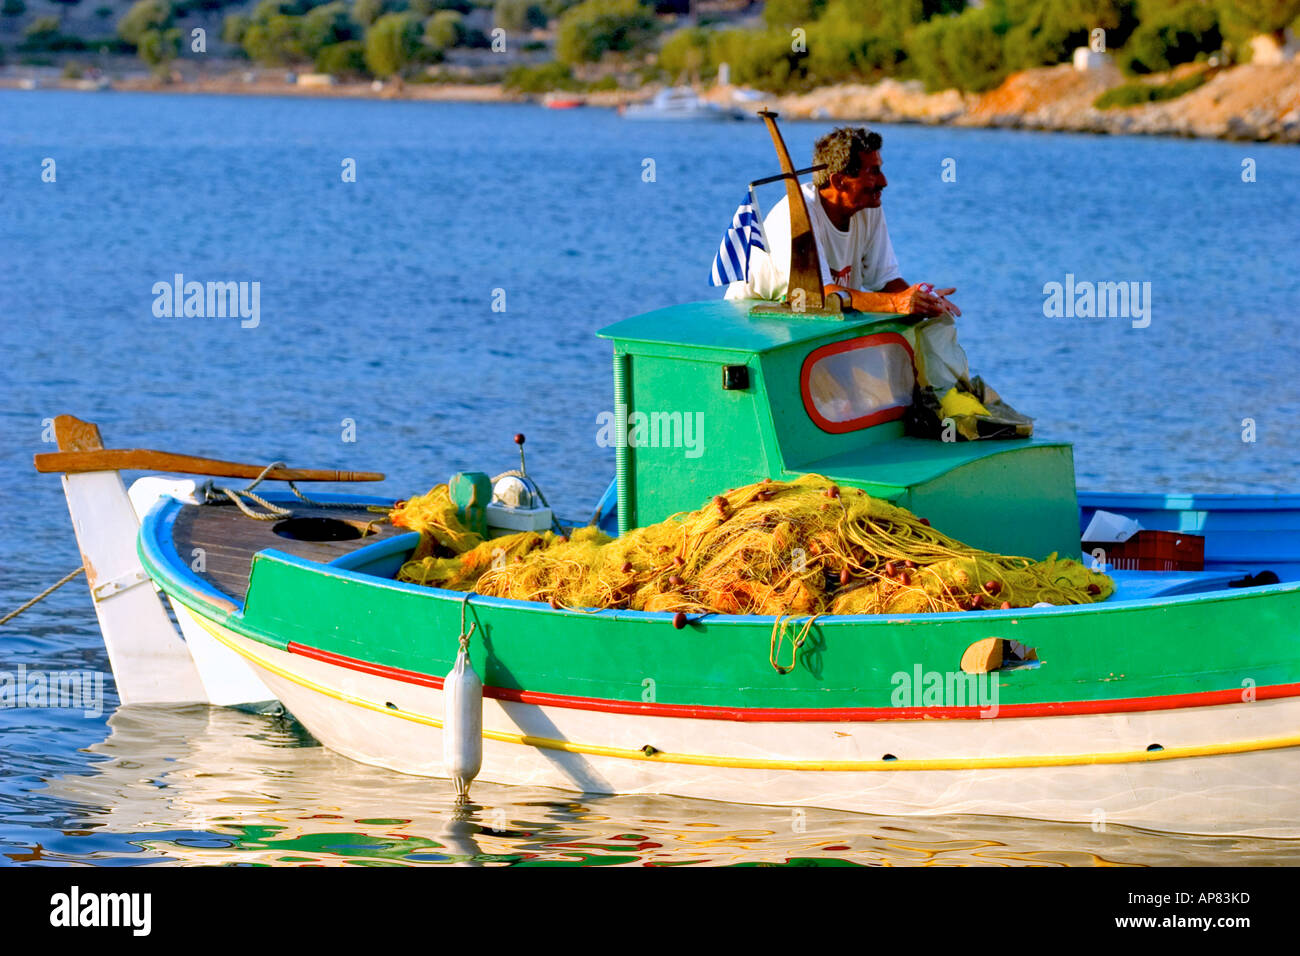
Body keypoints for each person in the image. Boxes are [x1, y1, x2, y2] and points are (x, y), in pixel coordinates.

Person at [725, 126, 973, 395]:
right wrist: (897, 303)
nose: (884, 182)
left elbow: (886, 280)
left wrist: (925, 297)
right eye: (873, 172)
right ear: (840, 181)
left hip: (808, 329)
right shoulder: (795, 216)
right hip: (753, 336)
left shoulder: (868, 206)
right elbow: (818, 296)